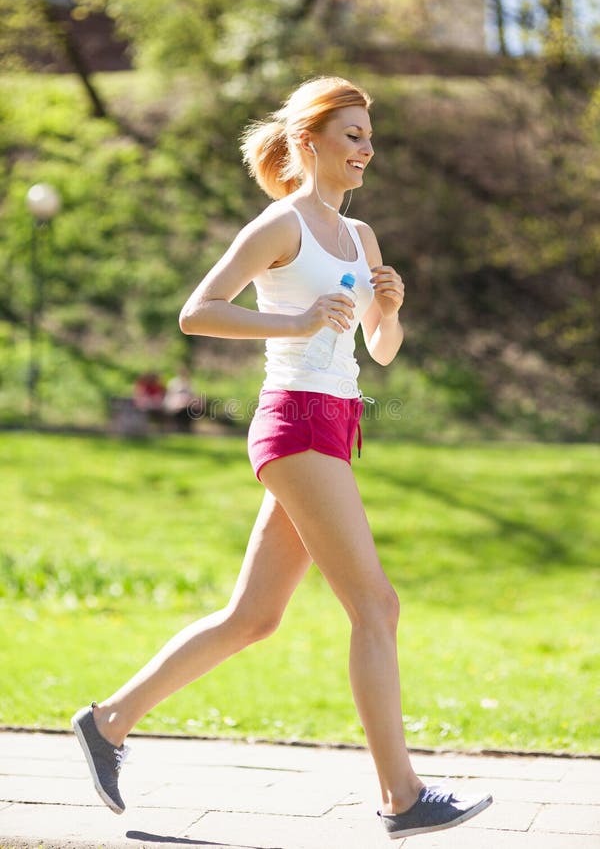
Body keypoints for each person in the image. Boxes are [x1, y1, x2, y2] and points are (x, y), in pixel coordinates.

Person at [72, 76, 492, 840]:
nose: (368, 149)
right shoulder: (281, 224)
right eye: (354, 135)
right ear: (310, 142)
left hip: (338, 424)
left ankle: (108, 722)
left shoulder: (361, 240)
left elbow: (381, 351)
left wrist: (389, 312)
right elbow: (196, 312)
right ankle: (402, 797)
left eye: (370, 136)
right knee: (377, 606)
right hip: (293, 423)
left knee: (254, 616)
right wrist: (294, 320)